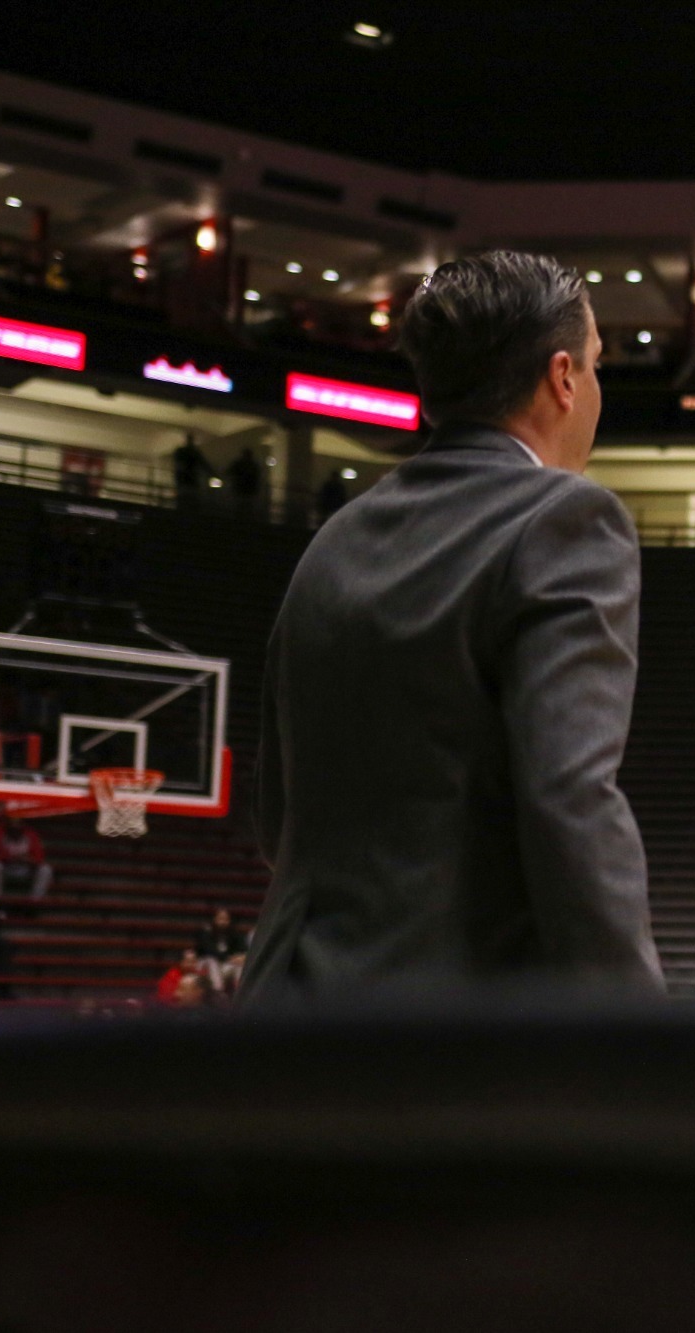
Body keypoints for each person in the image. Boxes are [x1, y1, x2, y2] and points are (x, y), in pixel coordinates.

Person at [243, 252, 664, 1002]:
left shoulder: (336, 533)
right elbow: (569, 798)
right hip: (450, 1031)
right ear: (563, 377)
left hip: (284, 1005)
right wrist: (633, 1020)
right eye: (598, 367)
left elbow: (278, 814)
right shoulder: (566, 517)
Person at [0, 811, 54, 899]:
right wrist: (11, 857)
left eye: (17, 824)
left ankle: (35, 901)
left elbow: (39, 857)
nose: (15, 827)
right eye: (12, 824)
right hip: (5, 868)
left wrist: (28, 860)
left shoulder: (31, 835)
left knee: (45, 869)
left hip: (25, 870)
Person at [194, 907, 248, 996]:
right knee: (212, 961)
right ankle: (218, 993)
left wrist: (241, 957)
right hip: (205, 967)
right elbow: (210, 951)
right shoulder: (205, 932)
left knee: (239, 965)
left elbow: (243, 949)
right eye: (220, 919)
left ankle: (241, 993)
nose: (223, 922)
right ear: (214, 919)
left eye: (226, 919)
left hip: (224, 966)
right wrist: (229, 958)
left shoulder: (233, 933)